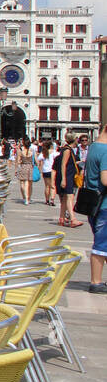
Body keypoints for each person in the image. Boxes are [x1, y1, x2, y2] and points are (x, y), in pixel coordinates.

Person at [84, 123, 107, 293]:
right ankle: (96, 281)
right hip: (104, 205)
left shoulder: (93, 147)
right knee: (101, 244)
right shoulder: (106, 150)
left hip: (94, 203)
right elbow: (105, 179)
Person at [56, 134, 83, 228]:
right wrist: (63, 179)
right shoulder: (67, 150)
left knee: (64, 199)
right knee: (69, 197)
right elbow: (63, 165)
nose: (78, 141)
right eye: (77, 139)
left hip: (68, 176)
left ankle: (61, 218)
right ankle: (73, 219)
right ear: (74, 139)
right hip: (67, 176)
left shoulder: (68, 150)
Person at [15, 135, 34, 205]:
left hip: (23, 167)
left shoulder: (20, 151)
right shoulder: (32, 151)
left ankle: (25, 197)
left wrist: (16, 170)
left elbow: (18, 161)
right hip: (30, 167)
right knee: (30, 184)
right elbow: (36, 160)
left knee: (23, 183)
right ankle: (28, 198)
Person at [40, 139, 56, 205]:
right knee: (53, 185)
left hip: (45, 170)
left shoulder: (43, 152)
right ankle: (52, 200)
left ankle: (47, 200)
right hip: (52, 170)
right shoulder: (54, 152)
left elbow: (39, 159)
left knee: (47, 186)